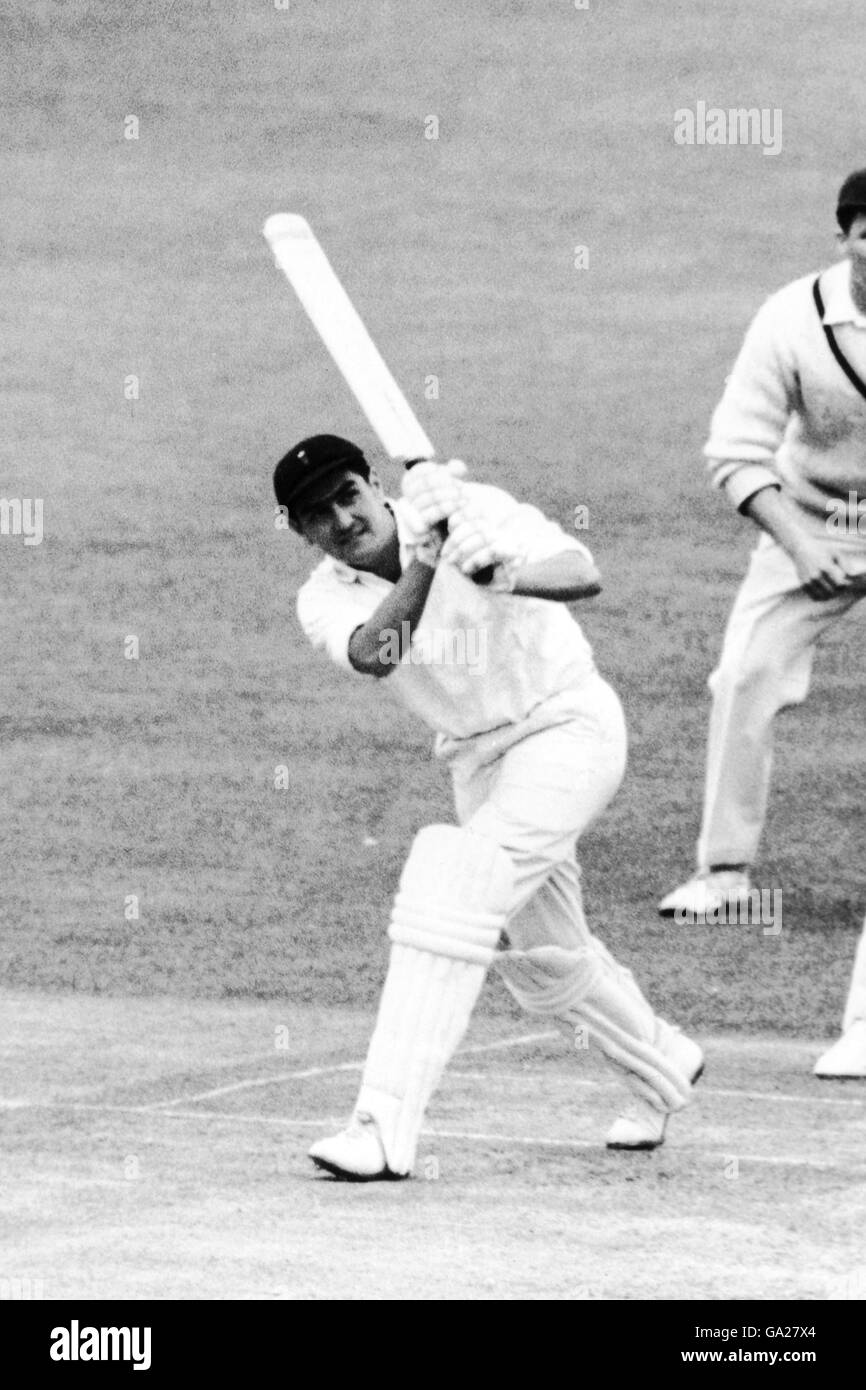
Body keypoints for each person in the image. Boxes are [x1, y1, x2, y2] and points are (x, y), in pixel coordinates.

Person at [276, 433, 702, 1179]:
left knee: (453, 889)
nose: (342, 519)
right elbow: (378, 654)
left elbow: (583, 572)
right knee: (545, 955)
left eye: (347, 495)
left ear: (375, 486)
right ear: (301, 531)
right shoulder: (320, 598)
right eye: (318, 514)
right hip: (478, 761)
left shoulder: (471, 507)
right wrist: (430, 563)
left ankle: (381, 1123)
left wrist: (507, 575)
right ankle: (660, 1059)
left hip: (568, 726)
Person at [659, 168, 866, 1079]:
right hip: (809, 522)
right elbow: (735, 453)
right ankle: (723, 875)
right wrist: (801, 543)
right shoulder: (790, 318)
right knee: (744, 674)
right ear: (844, 238)